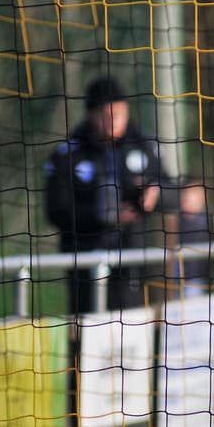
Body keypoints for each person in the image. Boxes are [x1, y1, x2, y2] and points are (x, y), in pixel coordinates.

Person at [44, 76, 171, 314]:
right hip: (85, 266)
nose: (115, 120)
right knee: (88, 326)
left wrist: (155, 195)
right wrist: (101, 216)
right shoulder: (67, 156)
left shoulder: (146, 146)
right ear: (91, 115)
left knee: (132, 326)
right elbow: (55, 211)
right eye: (107, 115)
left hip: (134, 264)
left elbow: (173, 193)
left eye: (120, 113)